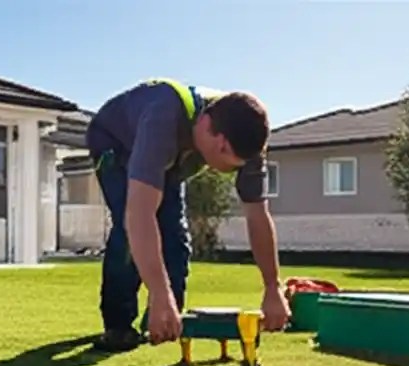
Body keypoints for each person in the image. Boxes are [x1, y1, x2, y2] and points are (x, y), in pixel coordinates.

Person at [85, 78, 290, 351]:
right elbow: (140, 214)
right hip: (115, 142)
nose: (226, 167)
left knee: (175, 236)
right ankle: (119, 326)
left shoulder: (247, 140)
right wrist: (159, 293)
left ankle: (167, 321)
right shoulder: (163, 120)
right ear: (205, 125)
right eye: (222, 154)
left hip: (171, 158)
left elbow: (258, 215)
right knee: (128, 228)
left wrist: (272, 287)